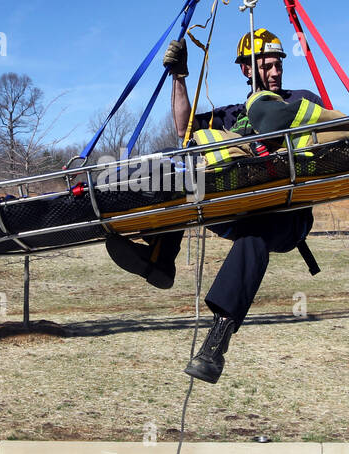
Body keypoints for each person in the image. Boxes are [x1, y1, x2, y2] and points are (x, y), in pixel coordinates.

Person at [103, 28, 323, 384]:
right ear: (247, 70)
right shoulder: (231, 115)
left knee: (256, 234)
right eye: (266, 65)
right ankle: (160, 258)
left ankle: (216, 343)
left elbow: (328, 132)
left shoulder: (299, 99)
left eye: (278, 64)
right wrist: (179, 78)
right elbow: (184, 129)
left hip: (286, 212)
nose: (275, 71)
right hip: (237, 206)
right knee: (180, 177)